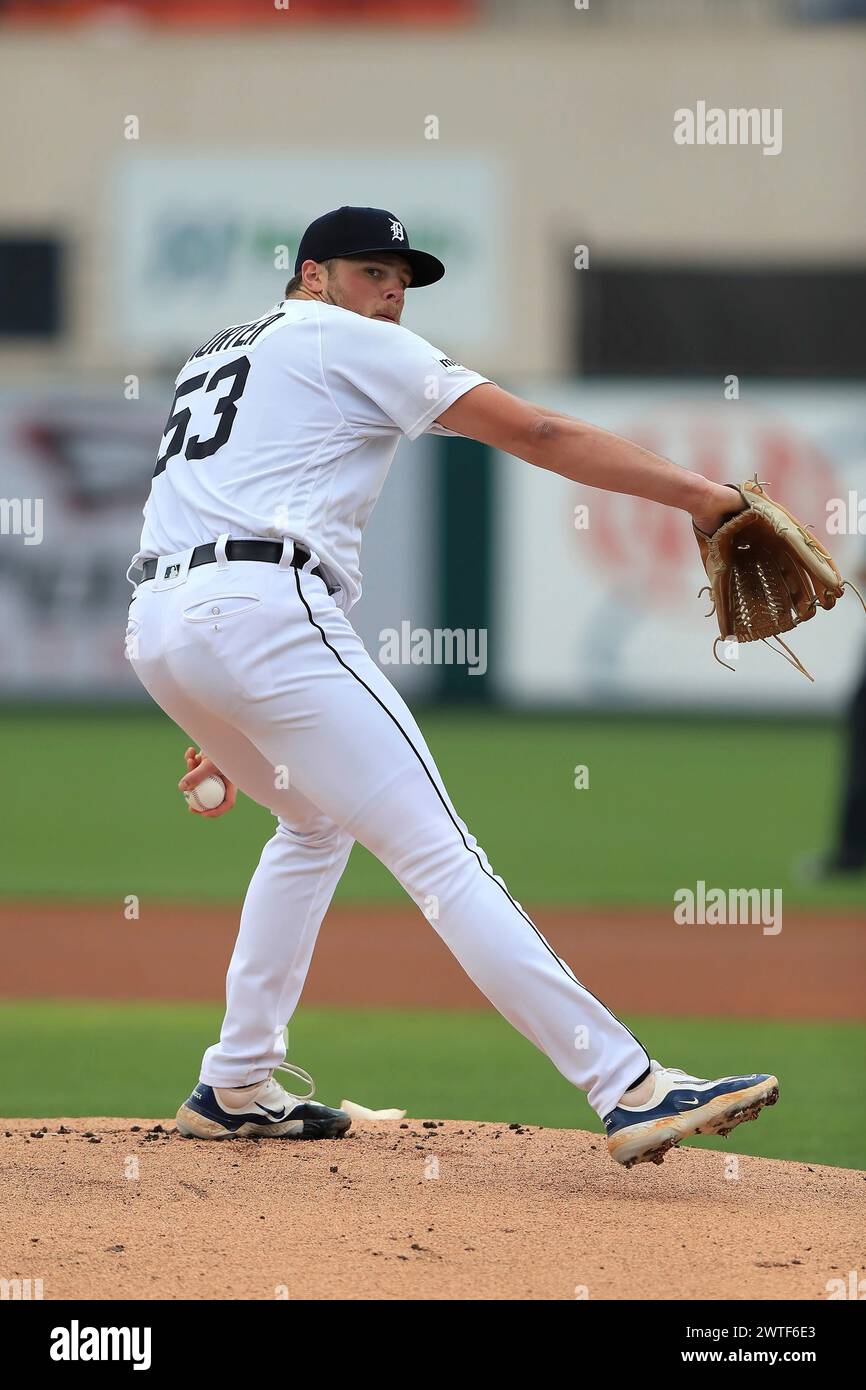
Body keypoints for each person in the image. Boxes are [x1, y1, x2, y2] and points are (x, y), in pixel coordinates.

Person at [124, 206, 778, 1169]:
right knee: (441, 856)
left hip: (162, 624)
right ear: (312, 276)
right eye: (368, 270)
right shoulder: (342, 339)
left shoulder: (216, 354)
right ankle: (630, 1086)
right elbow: (540, 429)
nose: (389, 291)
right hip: (261, 609)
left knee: (312, 825)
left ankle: (235, 1082)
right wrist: (708, 497)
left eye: (402, 277)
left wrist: (228, 705)